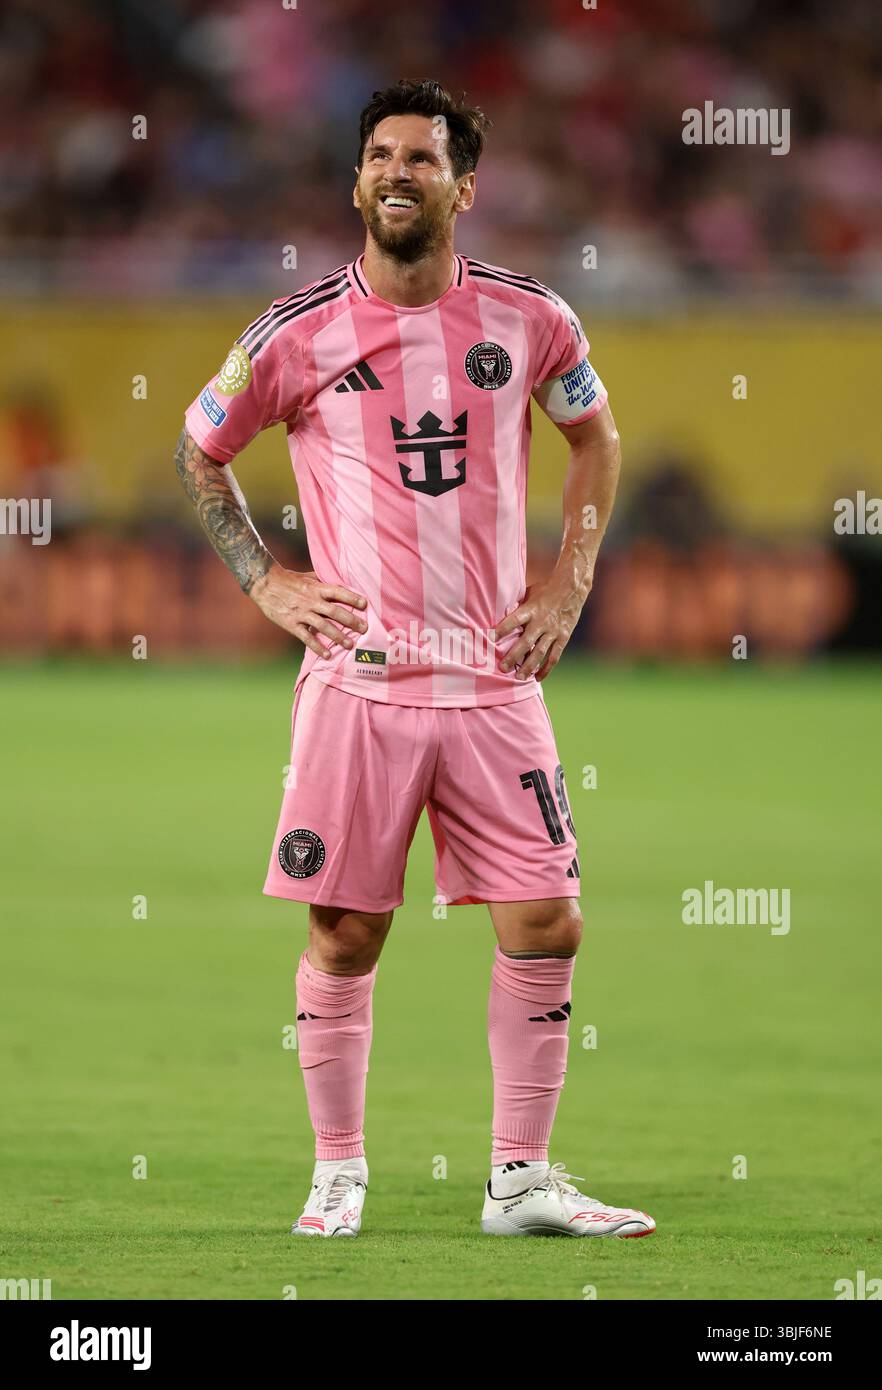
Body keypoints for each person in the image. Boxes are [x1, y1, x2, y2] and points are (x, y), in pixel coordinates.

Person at [176, 79, 654, 1240]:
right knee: (346, 932)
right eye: (381, 155)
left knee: (548, 921)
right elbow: (201, 450)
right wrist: (266, 581)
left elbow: (596, 437)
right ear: (357, 182)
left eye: (423, 158)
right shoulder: (294, 333)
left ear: (463, 187)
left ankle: (519, 1180)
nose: (399, 172)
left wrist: (569, 580)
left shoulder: (531, 318)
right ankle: (338, 1172)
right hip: (363, 681)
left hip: (494, 677)